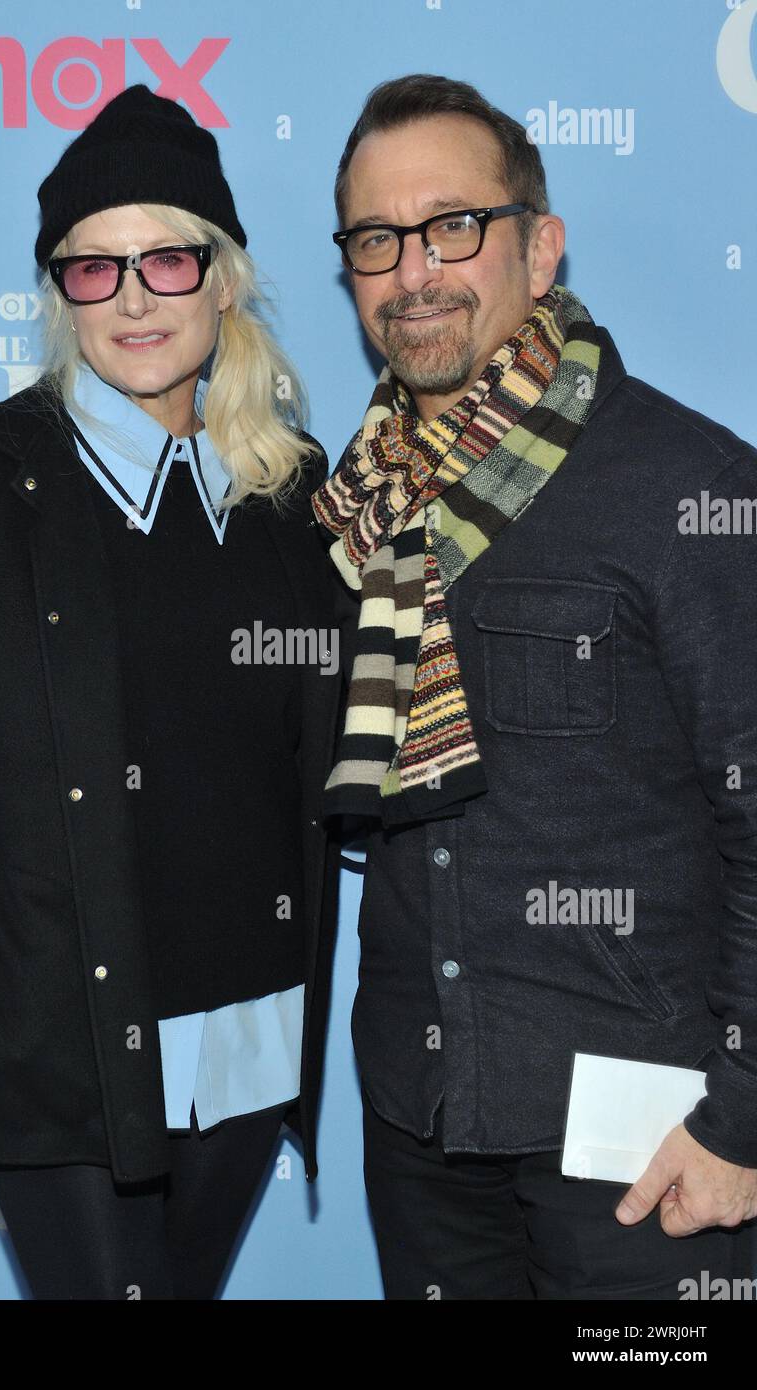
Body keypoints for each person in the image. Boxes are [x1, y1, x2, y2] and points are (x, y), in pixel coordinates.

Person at [0, 84, 343, 1300]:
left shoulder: (291, 492)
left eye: (165, 256)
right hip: (59, 1039)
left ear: (223, 278)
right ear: (59, 294)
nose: (134, 297)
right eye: (92, 268)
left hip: (252, 1038)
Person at [312, 73, 757, 1300]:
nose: (414, 271)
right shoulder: (357, 510)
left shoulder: (686, 488)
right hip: (420, 1119)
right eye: (375, 239)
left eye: (453, 225)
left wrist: (742, 1124)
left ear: (538, 245)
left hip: (648, 1146)